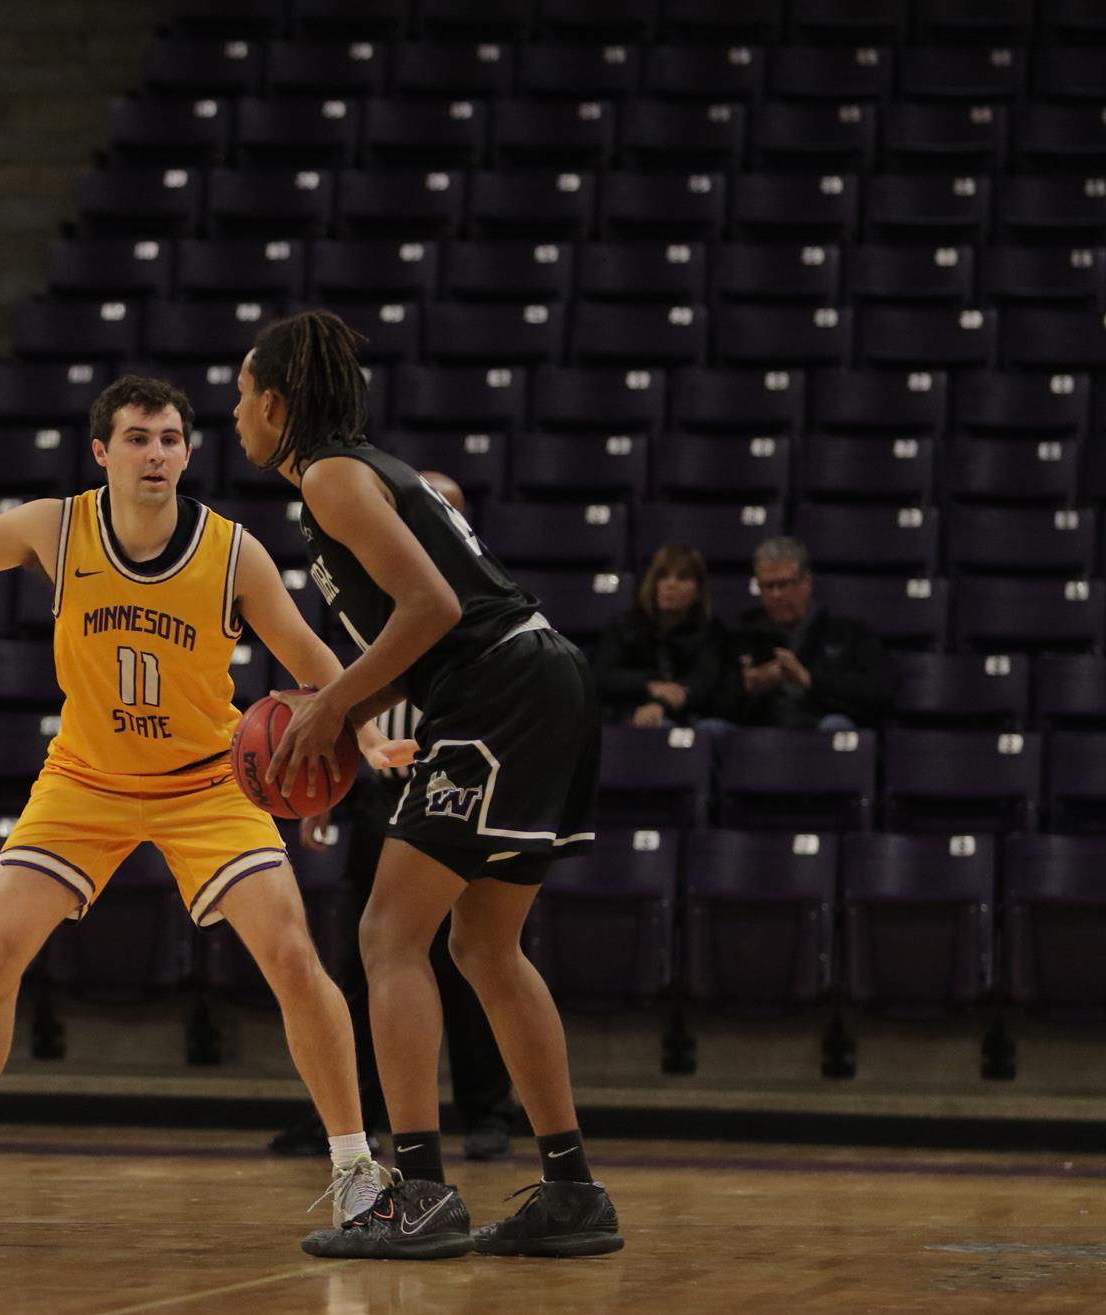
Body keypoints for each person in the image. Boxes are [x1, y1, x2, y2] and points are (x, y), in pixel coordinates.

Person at [0, 375, 408, 1246]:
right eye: (138, 438)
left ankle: (358, 1168)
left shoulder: (232, 552)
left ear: (187, 451)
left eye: (170, 438)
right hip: (85, 780)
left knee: (291, 951)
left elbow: (316, 660)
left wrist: (359, 737)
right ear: (101, 452)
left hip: (207, 782)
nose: (157, 453)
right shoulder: (58, 527)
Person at [234, 310, 623, 1261]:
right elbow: (426, 635)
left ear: (277, 404)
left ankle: (418, 1191)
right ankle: (572, 1189)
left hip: (501, 688)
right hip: (540, 676)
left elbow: (434, 608)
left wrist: (331, 708)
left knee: (386, 932)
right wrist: (346, 720)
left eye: (242, 396)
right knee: (485, 945)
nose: (236, 415)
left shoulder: (329, 476)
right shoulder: (360, 473)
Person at [277, 468, 519, 1166]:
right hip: (385, 790)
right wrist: (323, 791)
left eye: (450, 509)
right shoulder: (370, 594)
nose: (434, 519)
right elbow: (340, 701)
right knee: (368, 956)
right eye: (426, 507)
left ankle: (485, 1111)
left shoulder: (466, 599)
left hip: (460, 781)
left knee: (466, 953)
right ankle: (353, 1112)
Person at [731, 536, 896, 730]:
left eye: (784, 584)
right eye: (768, 586)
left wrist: (809, 680)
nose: (776, 595)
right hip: (762, 738)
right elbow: (717, 701)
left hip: (818, 735)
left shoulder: (848, 632)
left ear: (806, 582)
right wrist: (746, 688)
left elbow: (880, 692)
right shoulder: (745, 634)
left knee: (835, 726)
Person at [592, 543, 729, 729]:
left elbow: (705, 682)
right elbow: (602, 676)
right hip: (629, 715)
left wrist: (661, 706)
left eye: (682, 578)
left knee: (715, 729)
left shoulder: (711, 630)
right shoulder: (625, 626)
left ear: (698, 590)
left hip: (689, 719)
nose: (670, 584)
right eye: (662, 576)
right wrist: (649, 685)